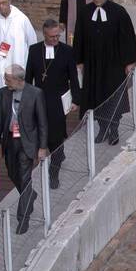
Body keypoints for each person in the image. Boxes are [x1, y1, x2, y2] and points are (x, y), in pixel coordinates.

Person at [74, 0, 136, 146]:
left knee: (114, 97)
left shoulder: (118, 12)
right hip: (93, 64)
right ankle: (103, 128)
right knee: (96, 98)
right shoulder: (84, 13)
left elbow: (128, 38)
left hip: (114, 64)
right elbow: (79, 37)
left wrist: (129, 62)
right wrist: (79, 60)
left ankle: (114, 128)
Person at [0, 64, 49, 233]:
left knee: (24, 178)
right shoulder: (3, 93)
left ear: (18, 79)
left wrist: (42, 147)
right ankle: (30, 195)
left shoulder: (35, 93)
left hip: (27, 142)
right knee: (12, 173)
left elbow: (42, 123)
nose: (4, 81)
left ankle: (23, 219)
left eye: (7, 79)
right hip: (10, 140)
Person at [26, 19, 80, 189]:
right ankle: (57, 153)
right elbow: (28, 78)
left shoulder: (67, 51)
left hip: (58, 102)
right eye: (52, 37)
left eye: (58, 36)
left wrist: (76, 100)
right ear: (44, 35)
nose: (55, 39)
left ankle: (53, 173)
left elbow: (73, 77)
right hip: (40, 100)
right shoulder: (34, 51)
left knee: (56, 137)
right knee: (44, 134)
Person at [0, 0, 38, 116]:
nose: (1, 6)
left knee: (18, 98)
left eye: (4, 3)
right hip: (0, 66)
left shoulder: (21, 19)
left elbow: (33, 42)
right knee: (0, 95)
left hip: (18, 64)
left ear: (10, 2)